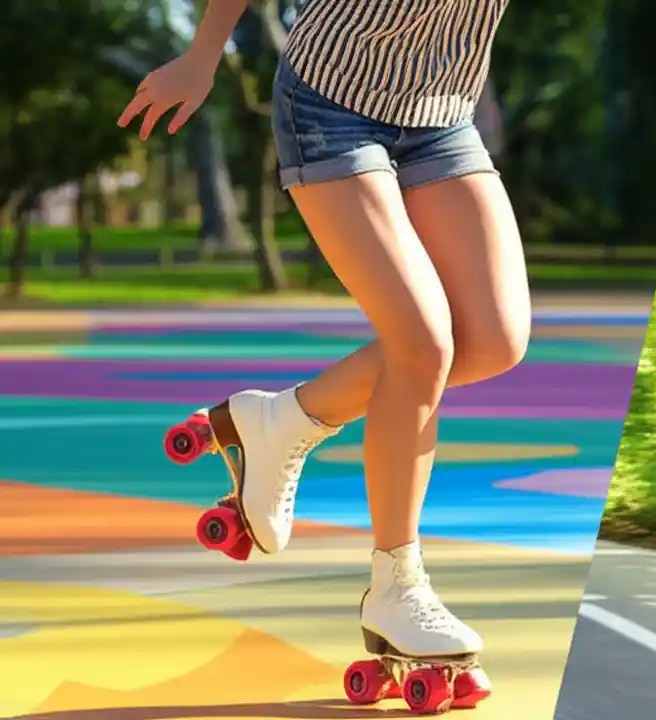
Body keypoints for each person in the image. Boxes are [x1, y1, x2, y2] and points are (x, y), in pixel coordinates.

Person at [119, 0, 524, 695]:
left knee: (492, 340)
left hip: (441, 111)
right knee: (422, 342)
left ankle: (283, 421)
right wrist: (204, 52)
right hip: (332, 101)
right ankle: (397, 585)